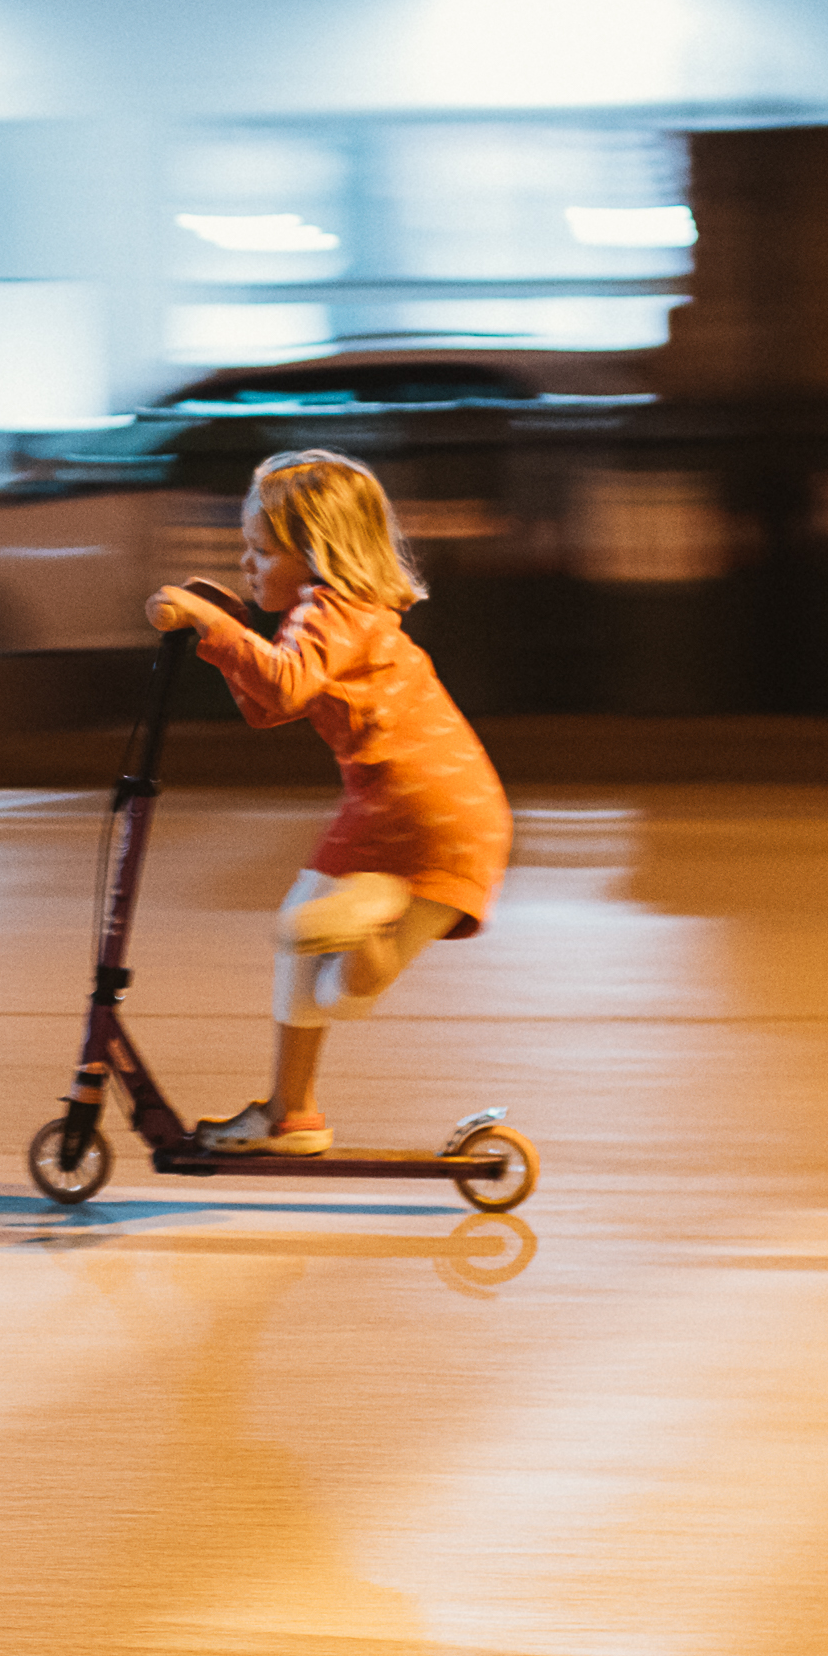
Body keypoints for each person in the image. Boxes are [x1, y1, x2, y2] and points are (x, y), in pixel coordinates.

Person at [145, 449, 510, 1154]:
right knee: (338, 982)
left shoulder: (327, 608)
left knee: (301, 931)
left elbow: (281, 687)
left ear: (316, 550)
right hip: (461, 811)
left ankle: (297, 1100)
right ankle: (302, 1092)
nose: (248, 566)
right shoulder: (350, 612)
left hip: (405, 801)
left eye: (259, 550)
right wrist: (221, 633)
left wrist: (215, 628)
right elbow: (272, 706)